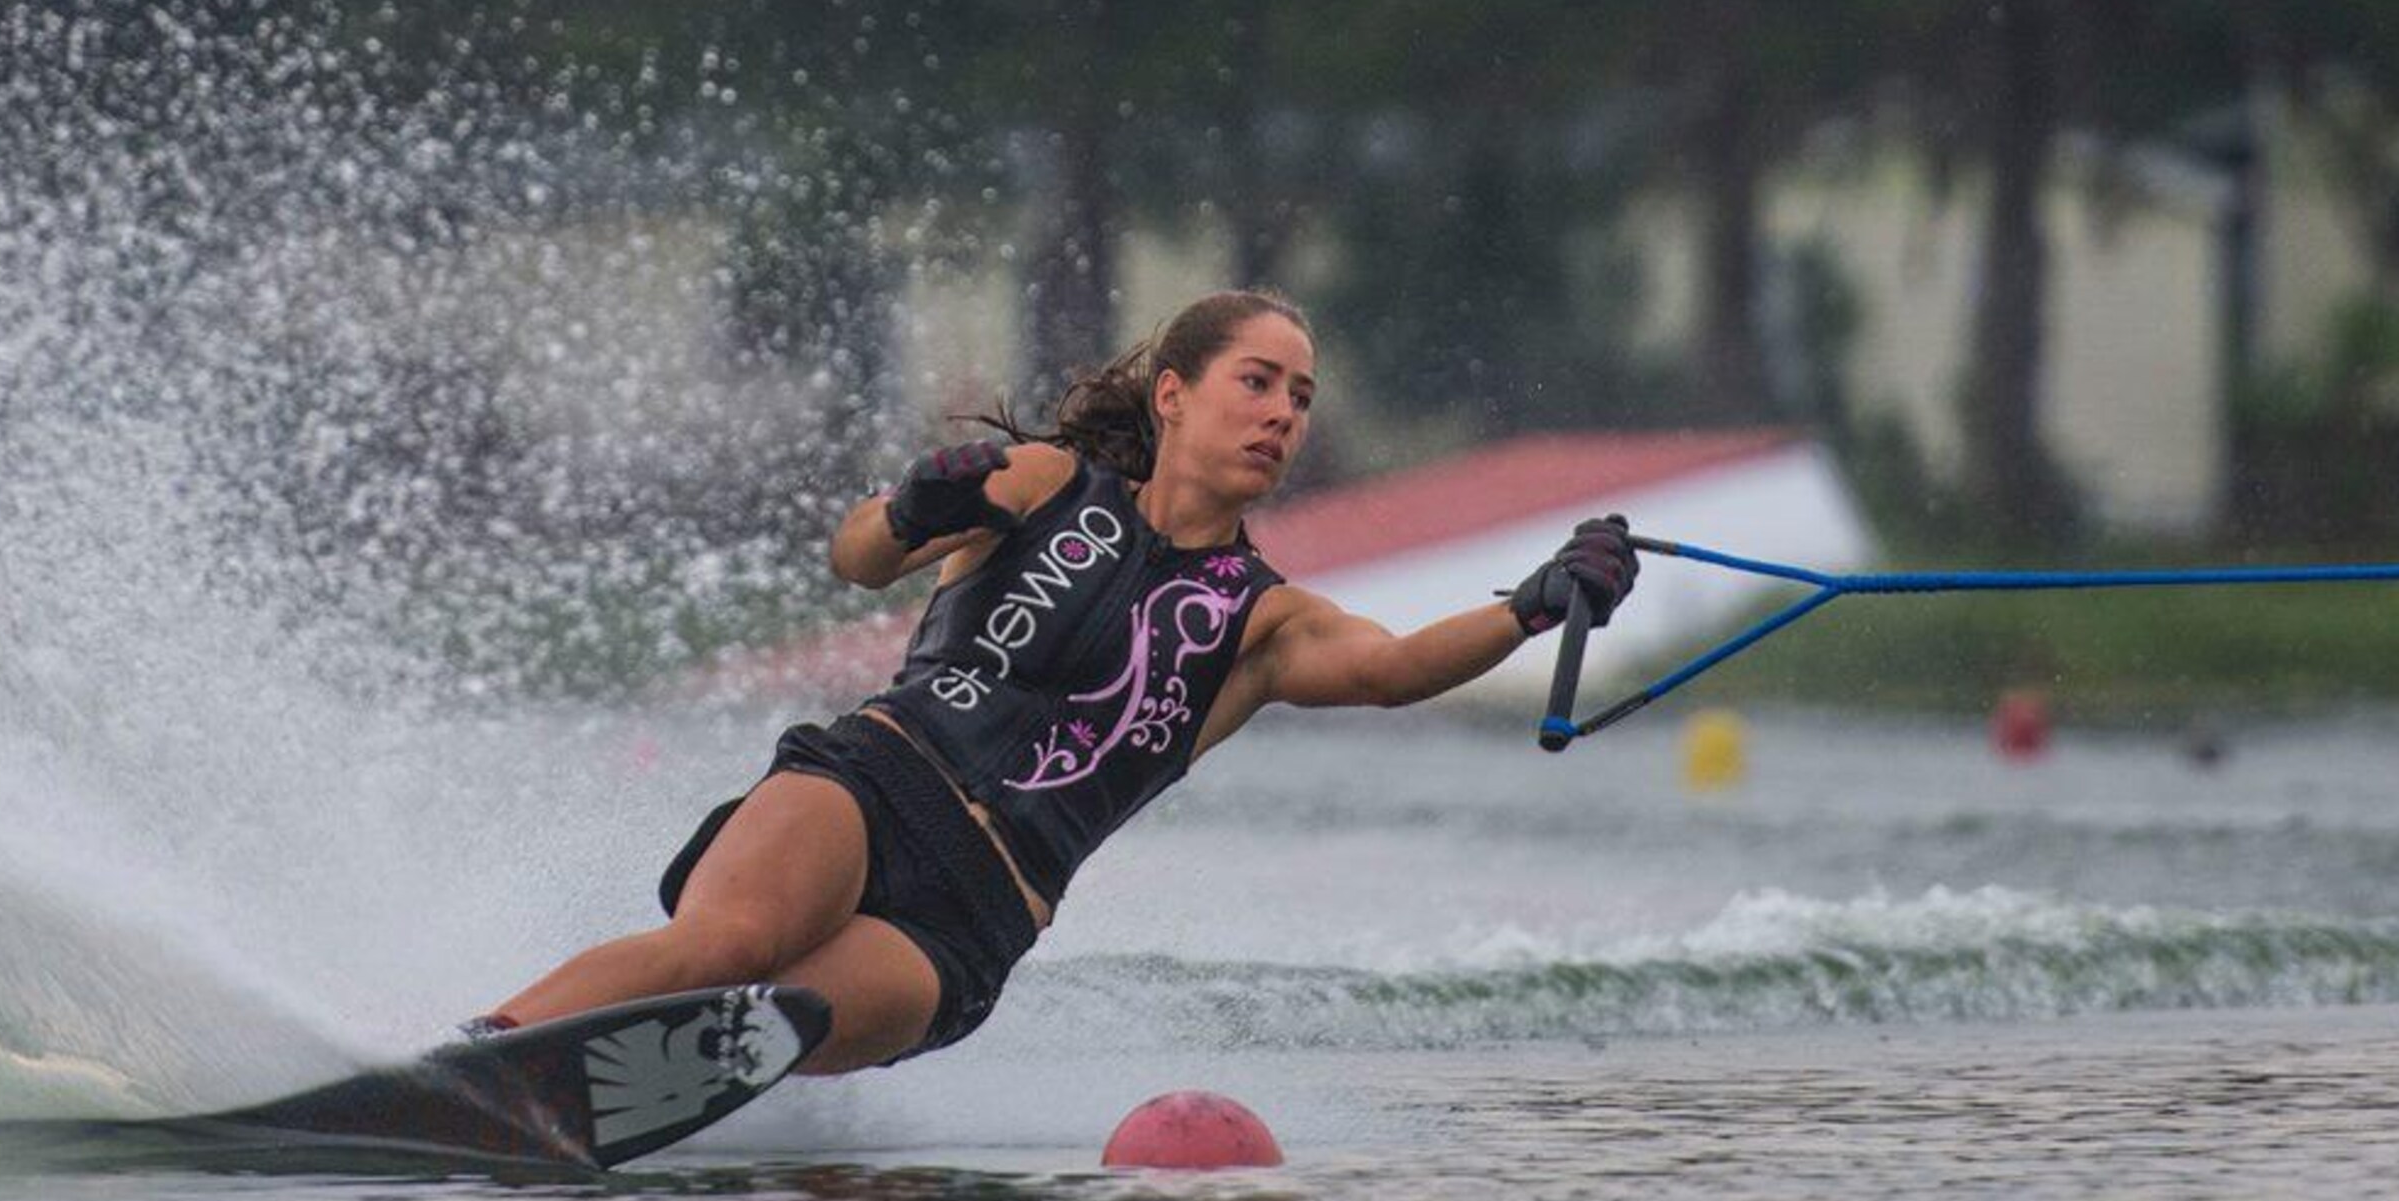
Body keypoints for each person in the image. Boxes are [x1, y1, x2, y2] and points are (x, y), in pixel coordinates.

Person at [486, 288, 1635, 1071]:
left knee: (776, 1026)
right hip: (873, 785)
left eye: (1300, 396)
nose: (1283, 411)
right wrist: (906, 510)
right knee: (724, 946)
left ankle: (594, 1106)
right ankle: (477, 1054)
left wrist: (1533, 602)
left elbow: (1392, 669)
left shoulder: (1264, 620)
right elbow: (856, 559)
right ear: (1173, 393)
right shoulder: (1043, 484)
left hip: (980, 909)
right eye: (1257, 380)